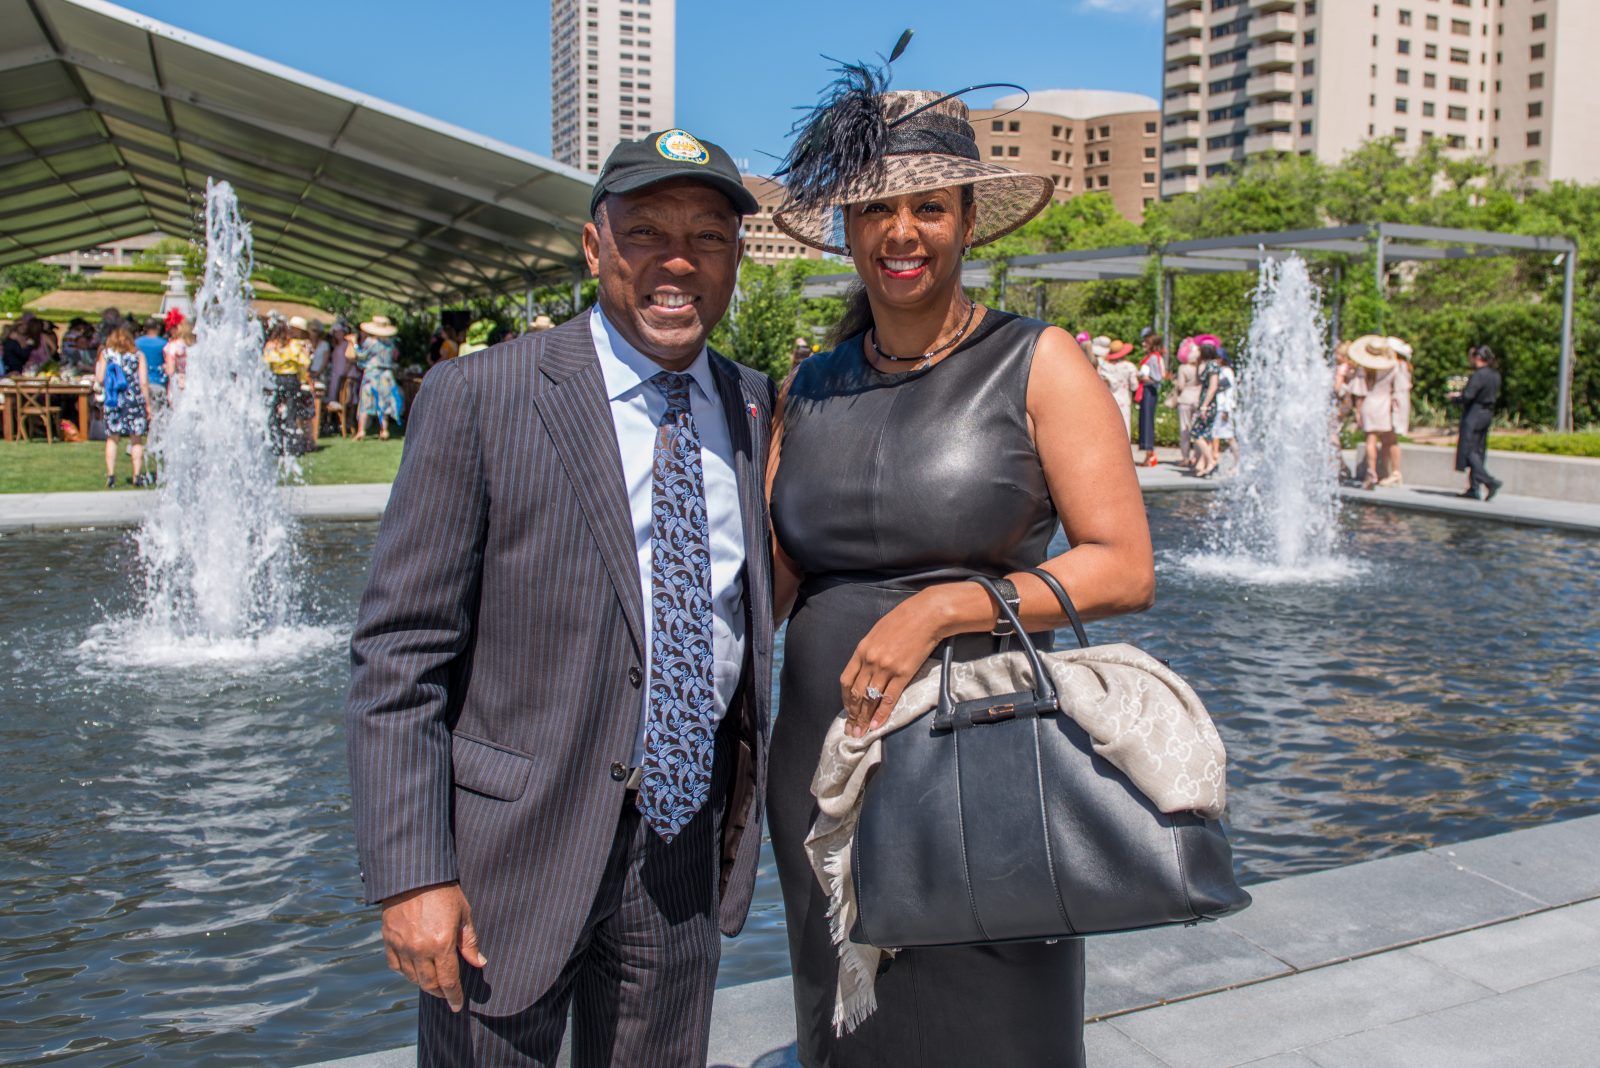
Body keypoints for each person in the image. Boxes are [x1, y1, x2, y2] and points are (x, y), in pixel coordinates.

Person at [347, 127, 773, 1067]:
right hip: (508, 862)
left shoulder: (750, 403)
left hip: (678, 847)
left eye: (707, 236)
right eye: (646, 233)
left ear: (736, 258)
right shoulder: (479, 397)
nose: (677, 261)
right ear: (594, 247)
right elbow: (399, 654)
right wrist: (413, 874)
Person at [767, 82, 1154, 1067]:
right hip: (821, 771)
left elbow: (1123, 567)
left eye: (928, 206)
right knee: (845, 1030)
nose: (903, 231)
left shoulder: (1036, 361)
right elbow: (770, 583)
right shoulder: (809, 387)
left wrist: (946, 606)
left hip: (979, 761)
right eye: (877, 207)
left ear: (967, 221)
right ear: (849, 229)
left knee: (995, 1033)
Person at [94, 326, 151, 487]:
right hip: (134, 400)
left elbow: (99, 378)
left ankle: (111, 475)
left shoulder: (106, 354)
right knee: (136, 439)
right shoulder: (138, 355)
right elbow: (144, 382)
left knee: (112, 438)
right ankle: (137, 475)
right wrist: (147, 404)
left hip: (114, 399)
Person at [1449, 344, 1502, 500]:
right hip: (1487, 414)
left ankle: (1488, 481)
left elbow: (1468, 395)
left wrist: (1455, 397)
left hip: (1475, 413)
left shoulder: (1479, 375)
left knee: (1470, 450)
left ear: (1478, 357)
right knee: (1478, 449)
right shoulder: (1494, 375)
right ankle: (1474, 488)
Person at [1349, 334, 1399, 490]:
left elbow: (1359, 392)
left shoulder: (1363, 369)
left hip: (1369, 404)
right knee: (1389, 440)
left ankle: (1372, 472)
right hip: (1385, 404)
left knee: (1370, 440)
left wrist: (1357, 411)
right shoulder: (1393, 367)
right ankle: (1391, 471)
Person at [352, 316, 403, 441]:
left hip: (372, 374)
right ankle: (384, 430)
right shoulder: (391, 343)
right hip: (386, 375)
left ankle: (361, 431)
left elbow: (361, 356)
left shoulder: (371, 341)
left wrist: (354, 344)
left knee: (365, 402)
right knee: (383, 403)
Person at [1189, 342, 1225, 477]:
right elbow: (1200, 383)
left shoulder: (1213, 366)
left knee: (1196, 433)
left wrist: (1205, 405)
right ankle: (1206, 465)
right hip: (1205, 403)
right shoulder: (1207, 365)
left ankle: (1211, 461)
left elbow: (1213, 386)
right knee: (1205, 434)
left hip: (1208, 405)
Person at [1092, 335, 1138, 442]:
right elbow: (1134, 385)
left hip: (1110, 398)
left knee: (1111, 426)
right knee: (1125, 426)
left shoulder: (1106, 367)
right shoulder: (1129, 367)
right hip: (1124, 399)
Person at [1386, 337, 1413, 485]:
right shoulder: (1400, 366)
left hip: (1396, 405)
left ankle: (1396, 472)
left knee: (1391, 438)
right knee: (1388, 438)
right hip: (1396, 403)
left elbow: (1400, 389)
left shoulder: (1399, 366)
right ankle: (1389, 471)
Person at [1136, 330, 1166, 467]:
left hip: (1149, 390)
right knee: (1144, 420)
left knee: (1147, 421)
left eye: (1146, 342)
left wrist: (1143, 378)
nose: (1143, 344)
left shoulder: (1154, 358)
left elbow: (1158, 377)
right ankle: (1148, 454)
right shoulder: (1152, 357)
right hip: (1146, 390)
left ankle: (1150, 454)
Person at [1173, 337, 1202, 467]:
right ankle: (1197, 457)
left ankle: (1185, 457)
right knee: (1197, 430)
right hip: (1197, 399)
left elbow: (1180, 385)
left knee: (1184, 429)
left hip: (1185, 398)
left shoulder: (1183, 368)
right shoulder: (1201, 368)